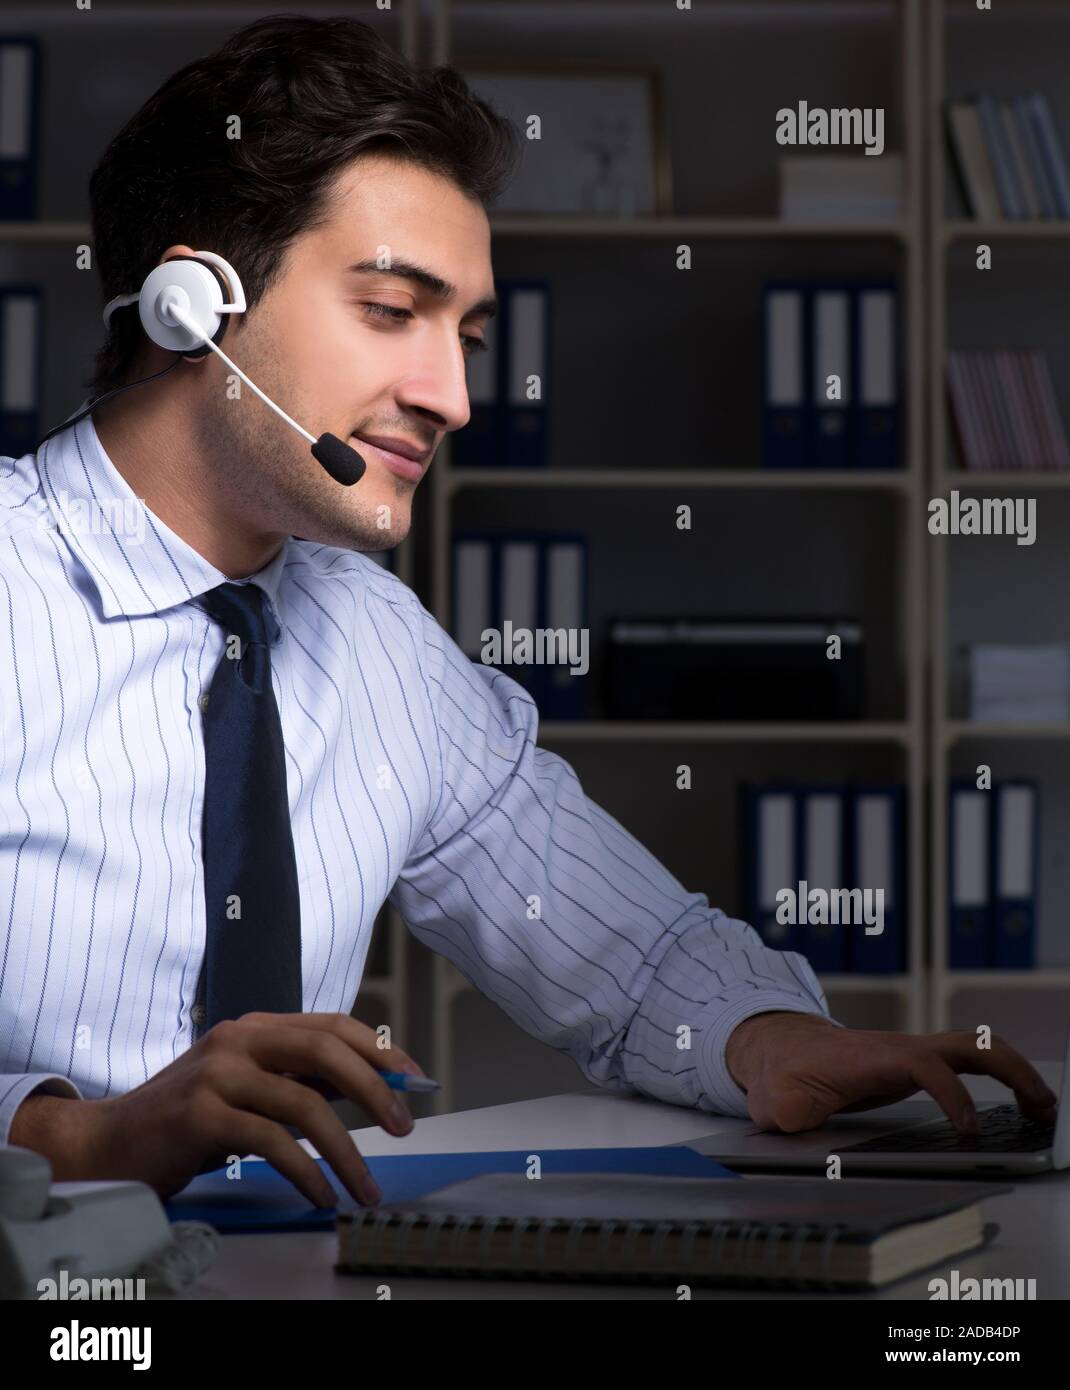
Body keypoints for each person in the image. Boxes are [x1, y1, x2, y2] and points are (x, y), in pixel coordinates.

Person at [1, 16, 1056, 1212]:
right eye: (393, 310)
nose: (451, 395)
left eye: (471, 335)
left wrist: (767, 1039)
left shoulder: (375, 641)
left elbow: (623, 948)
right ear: (192, 307)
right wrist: (77, 1138)